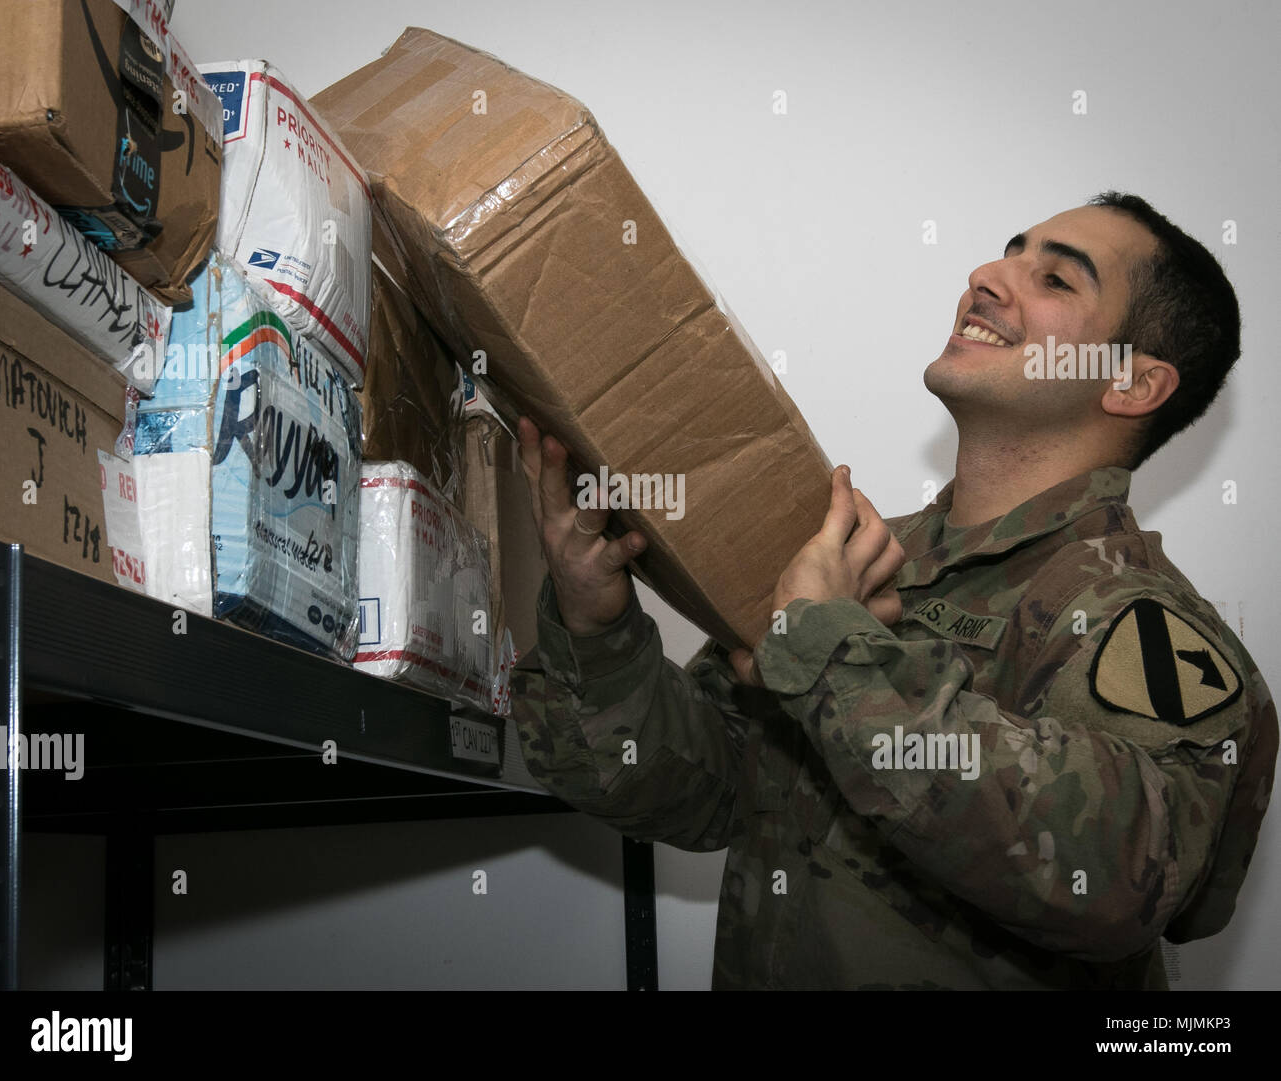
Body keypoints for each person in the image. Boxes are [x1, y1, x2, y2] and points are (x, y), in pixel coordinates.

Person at [508, 192, 1278, 990]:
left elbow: (1116, 877)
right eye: (1007, 251)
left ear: (1133, 382)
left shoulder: (1149, 628)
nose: (986, 276)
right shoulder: (855, 556)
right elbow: (681, 793)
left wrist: (833, 651)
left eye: (1054, 279)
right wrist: (594, 624)